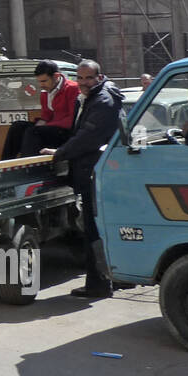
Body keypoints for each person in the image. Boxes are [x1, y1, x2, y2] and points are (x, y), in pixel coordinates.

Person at [41, 60, 125, 298]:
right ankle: (112, 278)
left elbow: (88, 136)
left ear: (99, 77)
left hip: (97, 173)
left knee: (94, 229)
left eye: (88, 78)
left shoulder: (103, 100)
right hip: (101, 170)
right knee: (100, 229)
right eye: (80, 78)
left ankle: (98, 284)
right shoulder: (98, 96)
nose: (83, 82)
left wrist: (59, 153)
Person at [1, 60, 79, 159]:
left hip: (66, 132)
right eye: (39, 81)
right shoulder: (45, 92)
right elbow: (47, 114)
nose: (41, 85)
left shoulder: (73, 88)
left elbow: (73, 119)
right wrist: (42, 121)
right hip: (52, 128)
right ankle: (6, 164)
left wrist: (45, 124)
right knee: (18, 126)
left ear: (56, 76)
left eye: (44, 81)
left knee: (33, 132)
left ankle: (29, 167)